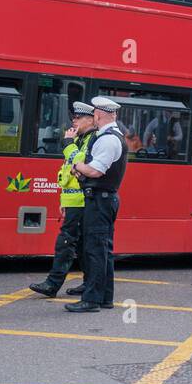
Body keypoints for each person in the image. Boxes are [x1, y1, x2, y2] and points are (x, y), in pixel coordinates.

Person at [64, 97, 129, 314]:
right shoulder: (110, 137)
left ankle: (91, 299)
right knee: (103, 250)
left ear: (98, 115)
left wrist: (77, 164)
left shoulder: (108, 139)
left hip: (100, 199)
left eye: (93, 114)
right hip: (103, 198)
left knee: (95, 250)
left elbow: (95, 171)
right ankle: (104, 298)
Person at [29, 101, 97, 298]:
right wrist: (63, 202)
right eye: (73, 118)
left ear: (90, 119)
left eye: (77, 118)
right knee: (82, 244)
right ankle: (88, 283)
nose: (73, 122)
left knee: (66, 242)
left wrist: (69, 144)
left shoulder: (92, 140)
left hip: (84, 201)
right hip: (74, 202)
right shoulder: (81, 139)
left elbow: (81, 165)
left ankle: (52, 283)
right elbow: (67, 173)